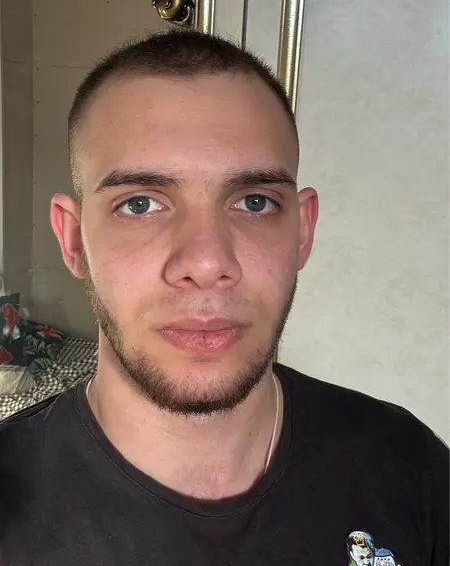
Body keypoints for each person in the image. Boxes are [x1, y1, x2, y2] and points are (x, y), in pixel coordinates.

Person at [0, 30, 447, 565]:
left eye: (254, 202)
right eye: (140, 204)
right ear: (74, 240)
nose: (207, 263)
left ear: (303, 232)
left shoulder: (410, 467)